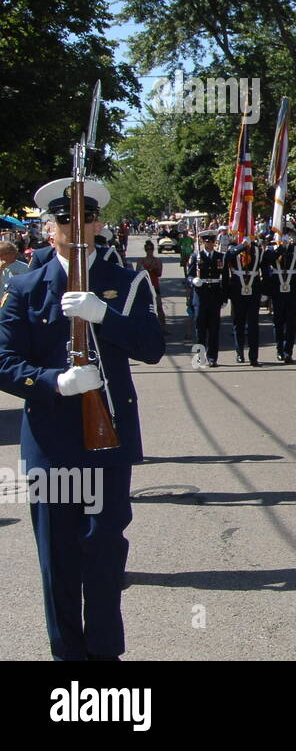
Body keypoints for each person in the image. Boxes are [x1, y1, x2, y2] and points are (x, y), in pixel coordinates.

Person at [0, 177, 165, 660]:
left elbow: (152, 348)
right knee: (57, 555)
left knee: (105, 548)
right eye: (64, 220)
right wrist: (53, 382)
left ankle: (105, 653)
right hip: (51, 442)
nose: (76, 227)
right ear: (49, 230)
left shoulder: (126, 282)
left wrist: (102, 315)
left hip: (108, 438)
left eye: (85, 218)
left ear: (98, 224)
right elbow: (5, 361)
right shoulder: (26, 286)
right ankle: (67, 657)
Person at [262, 236, 296, 364]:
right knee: (278, 322)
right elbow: (266, 263)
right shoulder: (272, 250)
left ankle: (288, 351)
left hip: (292, 290)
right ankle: (279, 349)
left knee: (291, 322)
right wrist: (280, 249)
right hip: (277, 290)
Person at [185, 230, 226, 368]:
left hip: (214, 294)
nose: (209, 244)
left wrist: (224, 297)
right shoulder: (196, 256)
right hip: (200, 295)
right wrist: (193, 280)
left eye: (212, 241)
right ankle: (198, 358)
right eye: (207, 241)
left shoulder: (220, 256)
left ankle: (212, 357)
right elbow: (189, 276)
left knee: (214, 328)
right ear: (203, 242)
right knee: (200, 328)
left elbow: (225, 278)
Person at [223, 236, 263, 365]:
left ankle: (254, 356)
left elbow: (265, 268)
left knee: (253, 325)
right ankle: (240, 353)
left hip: (254, 291)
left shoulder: (257, 250)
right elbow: (227, 257)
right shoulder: (234, 249)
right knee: (238, 324)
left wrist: (266, 291)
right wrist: (242, 246)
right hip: (237, 291)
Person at [134, 240, 165, 330]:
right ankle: (144, 327)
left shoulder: (157, 260)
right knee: (143, 307)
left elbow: (159, 273)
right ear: (145, 250)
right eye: (148, 249)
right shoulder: (141, 260)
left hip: (154, 285)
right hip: (144, 286)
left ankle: (163, 327)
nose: (149, 251)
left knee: (159, 306)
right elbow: (137, 273)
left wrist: (153, 269)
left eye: (151, 249)